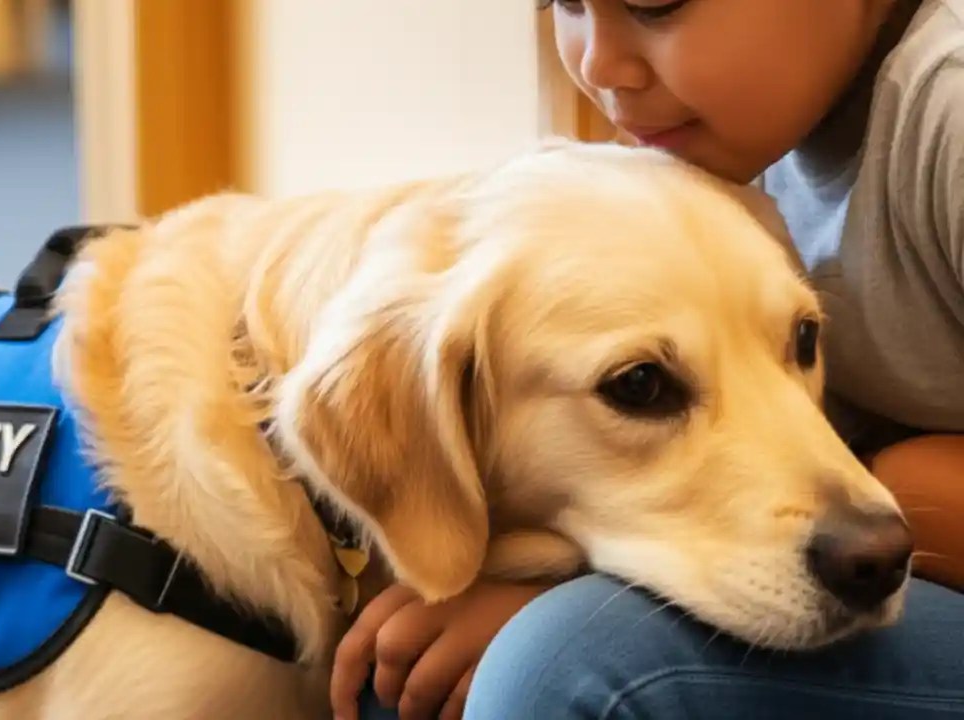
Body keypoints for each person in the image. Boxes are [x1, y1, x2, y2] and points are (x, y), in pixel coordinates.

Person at [337, 1, 964, 718]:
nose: (598, 63)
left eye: (657, 2)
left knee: (562, 667)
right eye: (565, 3)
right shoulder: (737, 149)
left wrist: (882, 483)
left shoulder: (951, 109)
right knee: (399, 673)